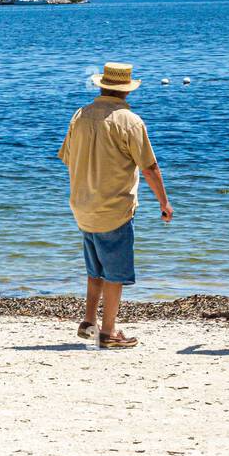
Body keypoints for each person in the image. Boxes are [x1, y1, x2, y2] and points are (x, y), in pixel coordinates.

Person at [58, 63, 173, 349]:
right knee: (114, 274)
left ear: (102, 86)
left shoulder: (80, 115)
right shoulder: (130, 121)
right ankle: (108, 331)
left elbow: (67, 158)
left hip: (83, 206)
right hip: (114, 208)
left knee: (95, 268)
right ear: (126, 89)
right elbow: (149, 167)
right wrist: (164, 202)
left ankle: (89, 322)